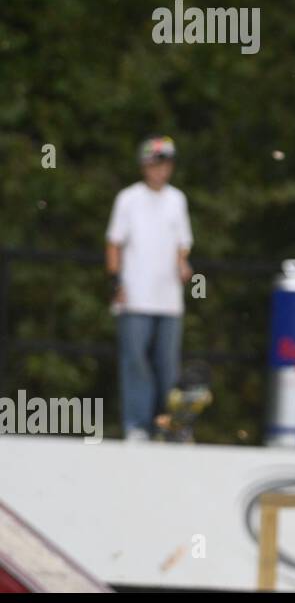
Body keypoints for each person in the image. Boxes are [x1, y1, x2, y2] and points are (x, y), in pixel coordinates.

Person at [105, 136, 194, 441]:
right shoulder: (128, 199)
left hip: (168, 298)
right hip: (135, 296)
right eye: (154, 164)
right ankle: (137, 424)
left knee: (168, 366)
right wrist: (116, 281)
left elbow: (183, 244)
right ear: (145, 166)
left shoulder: (177, 199)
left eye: (165, 164)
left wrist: (183, 264)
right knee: (136, 362)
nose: (159, 170)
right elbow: (114, 243)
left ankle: (169, 425)